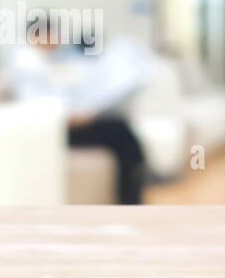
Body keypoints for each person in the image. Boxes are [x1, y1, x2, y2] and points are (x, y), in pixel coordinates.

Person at [9, 18, 151, 204]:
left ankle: (132, 190)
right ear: (38, 35)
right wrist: (75, 117)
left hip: (68, 120)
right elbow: (37, 110)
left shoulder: (46, 61)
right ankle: (130, 200)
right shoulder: (28, 64)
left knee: (119, 126)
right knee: (120, 131)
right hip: (56, 130)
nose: (57, 39)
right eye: (53, 34)